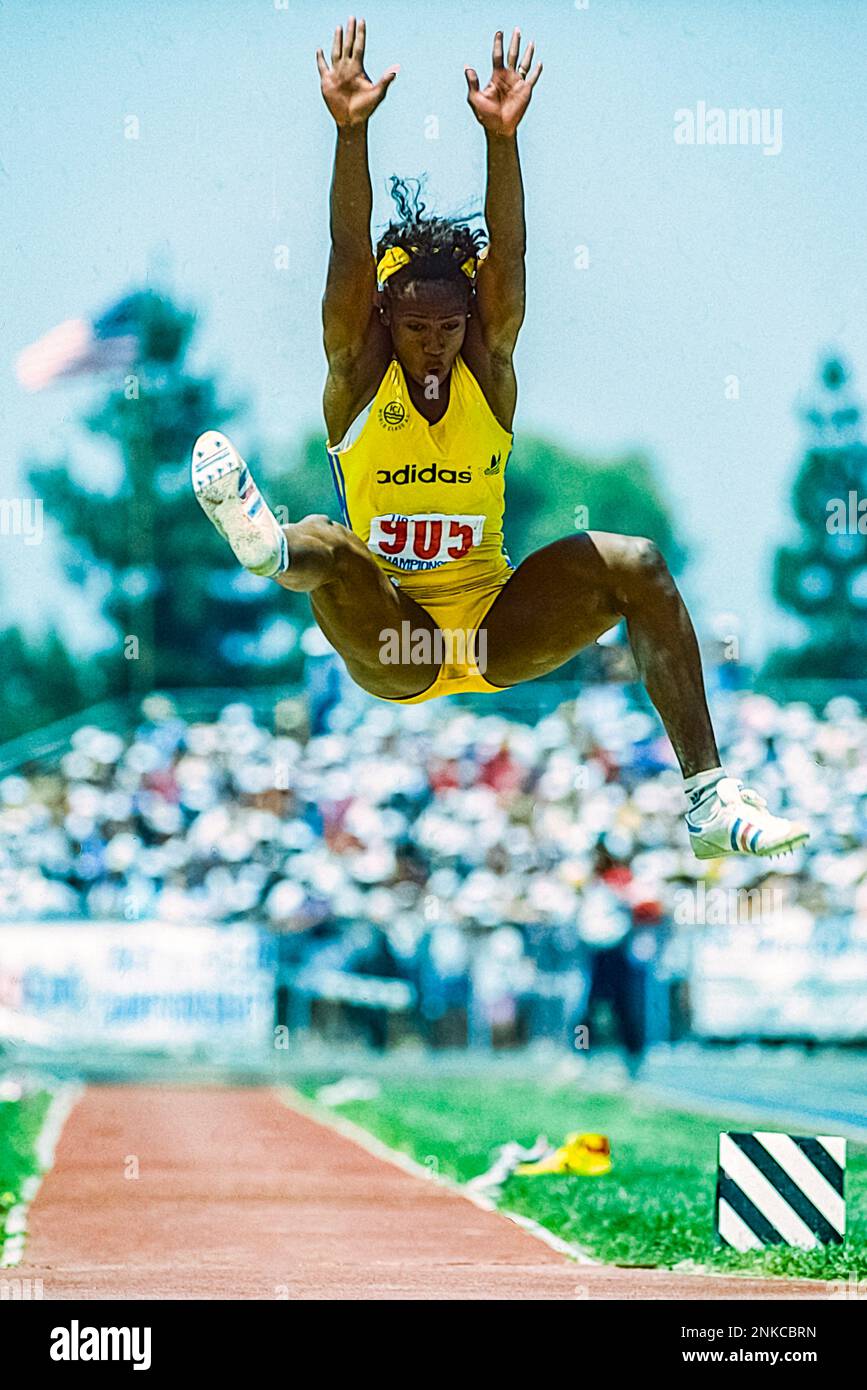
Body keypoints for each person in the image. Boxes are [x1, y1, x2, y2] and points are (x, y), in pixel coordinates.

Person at [192, 17, 808, 862]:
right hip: (392, 630)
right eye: (415, 326)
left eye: (450, 324)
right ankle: (263, 548)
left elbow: (509, 256)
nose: (436, 342)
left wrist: (503, 142)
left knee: (636, 564)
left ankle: (706, 796)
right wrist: (350, 132)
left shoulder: (490, 365)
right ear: (385, 321)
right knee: (331, 545)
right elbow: (346, 249)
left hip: (491, 624)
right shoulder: (355, 375)